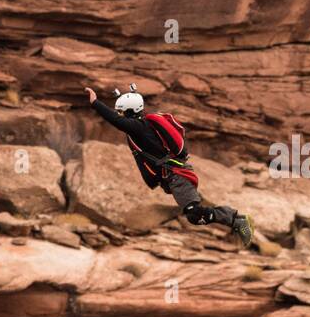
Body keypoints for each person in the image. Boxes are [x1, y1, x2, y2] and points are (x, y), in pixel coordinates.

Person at [84, 85, 255, 247]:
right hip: (172, 176)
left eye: (121, 111)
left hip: (176, 175)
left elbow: (115, 121)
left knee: (194, 214)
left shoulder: (139, 127)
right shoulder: (141, 126)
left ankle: (237, 220)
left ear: (130, 112)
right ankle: (234, 220)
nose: (119, 114)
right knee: (194, 211)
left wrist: (95, 103)